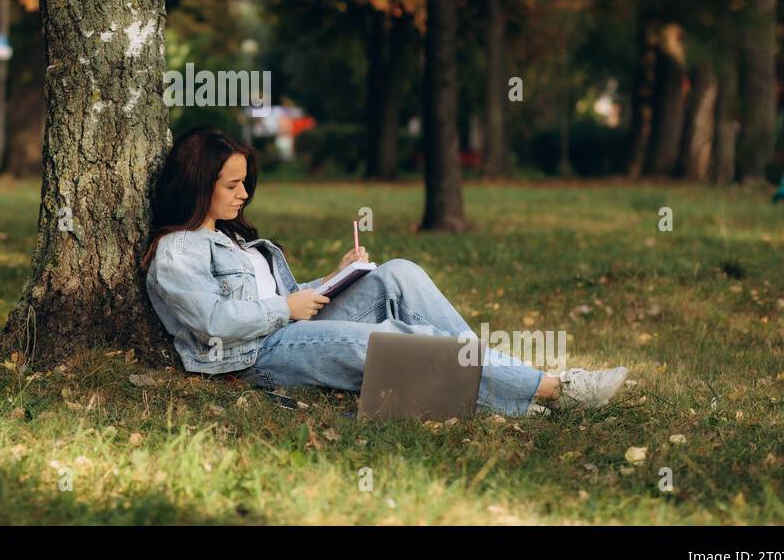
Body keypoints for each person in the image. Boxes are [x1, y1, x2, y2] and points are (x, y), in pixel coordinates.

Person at [144, 126, 629, 417]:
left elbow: (283, 300)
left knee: (399, 273)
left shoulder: (232, 235)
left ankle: (486, 385)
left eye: (245, 182)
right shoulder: (178, 250)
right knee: (389, 338)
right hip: (251, 356)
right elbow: (213, 323)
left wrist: (331, 280)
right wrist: (287, 307)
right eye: (232, 185)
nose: (244, 194)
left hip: (285, 326)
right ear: (198, 184)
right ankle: (555, 389)